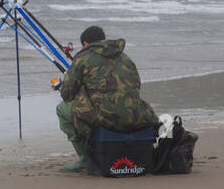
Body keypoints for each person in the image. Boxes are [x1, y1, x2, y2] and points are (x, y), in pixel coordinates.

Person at [55, 25, 158, 172]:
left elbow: (67, 94)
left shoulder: (83, 58)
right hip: (136, 116)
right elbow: (136, 86)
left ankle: (85, 158)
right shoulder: (125, 58)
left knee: (62, 109)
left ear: (85, 44)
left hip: (106, 119)